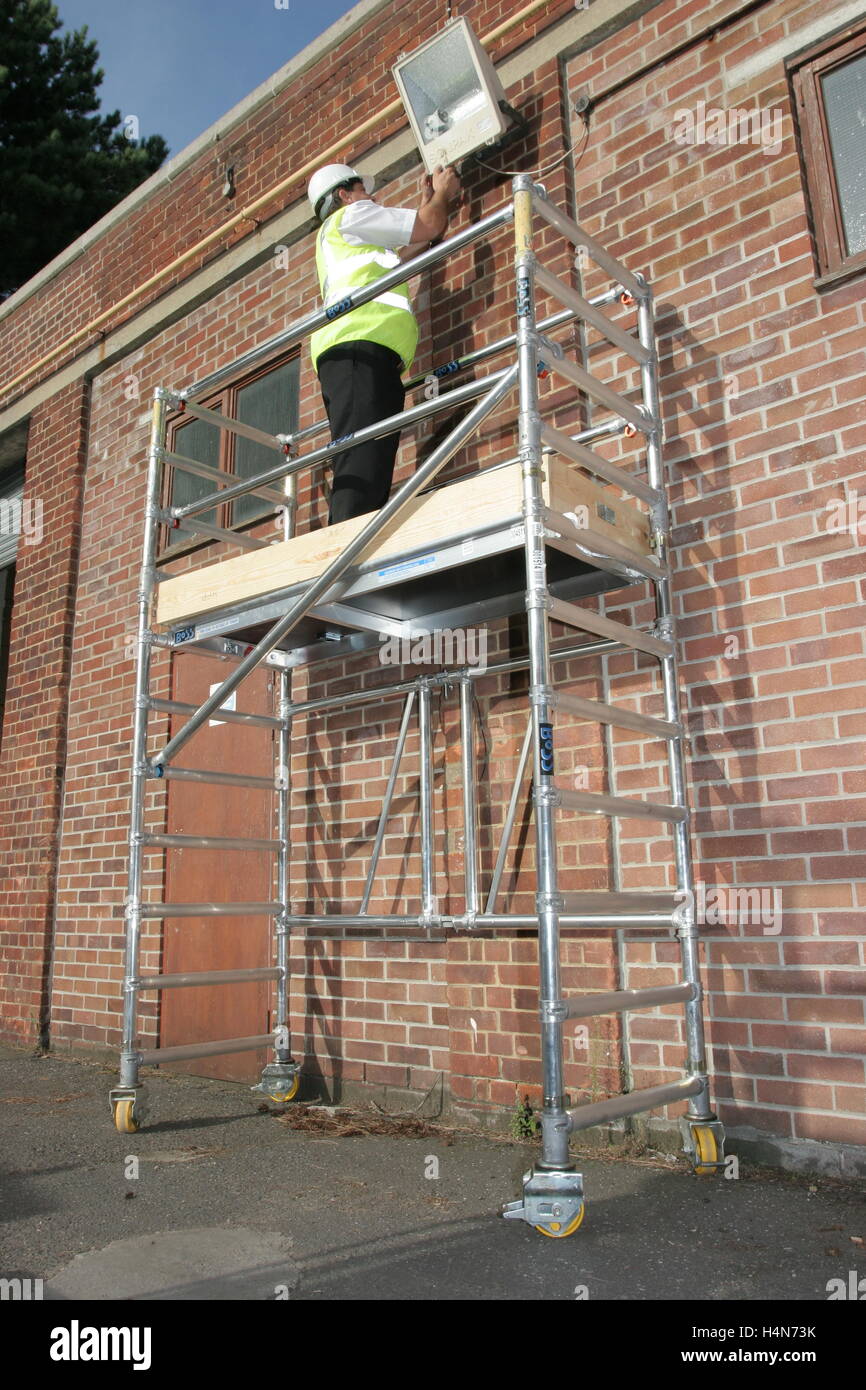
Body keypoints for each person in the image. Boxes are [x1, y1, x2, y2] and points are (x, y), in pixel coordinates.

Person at [307, 161, 462, 525]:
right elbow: (429, 225)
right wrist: (442, 193)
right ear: (345, 195)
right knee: (363, 458)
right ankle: (345, 558)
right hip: (360, 347)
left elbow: (417, 242)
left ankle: (355, 547)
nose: (371, 197)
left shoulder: (353, 243)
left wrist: (429, 201)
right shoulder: (351, 217)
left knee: (370, 456)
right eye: (363, 190)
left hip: (361, 352)